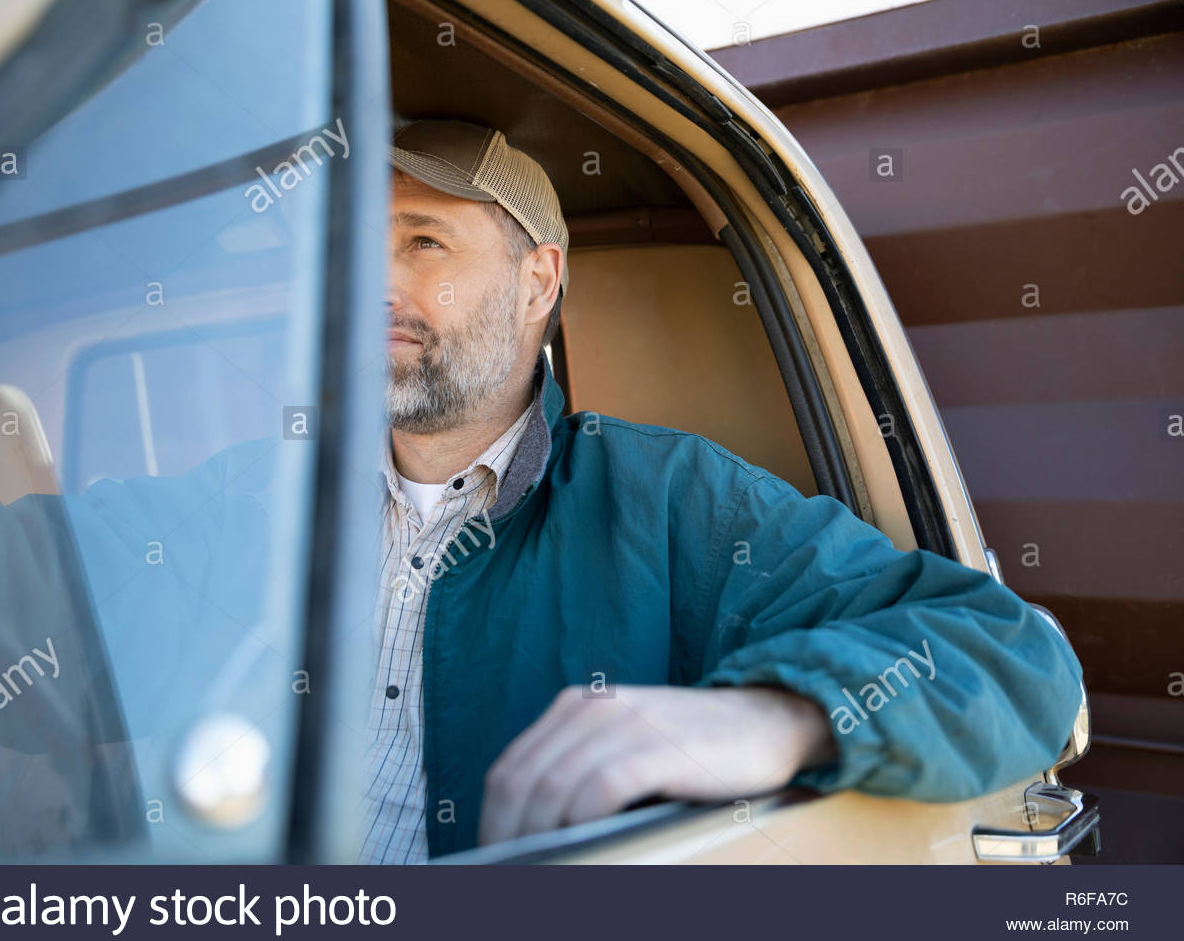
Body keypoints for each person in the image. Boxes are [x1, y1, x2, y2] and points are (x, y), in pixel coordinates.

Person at [360, 119, 1084, 863]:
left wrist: (774, 716)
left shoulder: (671, 500)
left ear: (537, 282)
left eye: (424, 244)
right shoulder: (248, 495)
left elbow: (1012, 656)